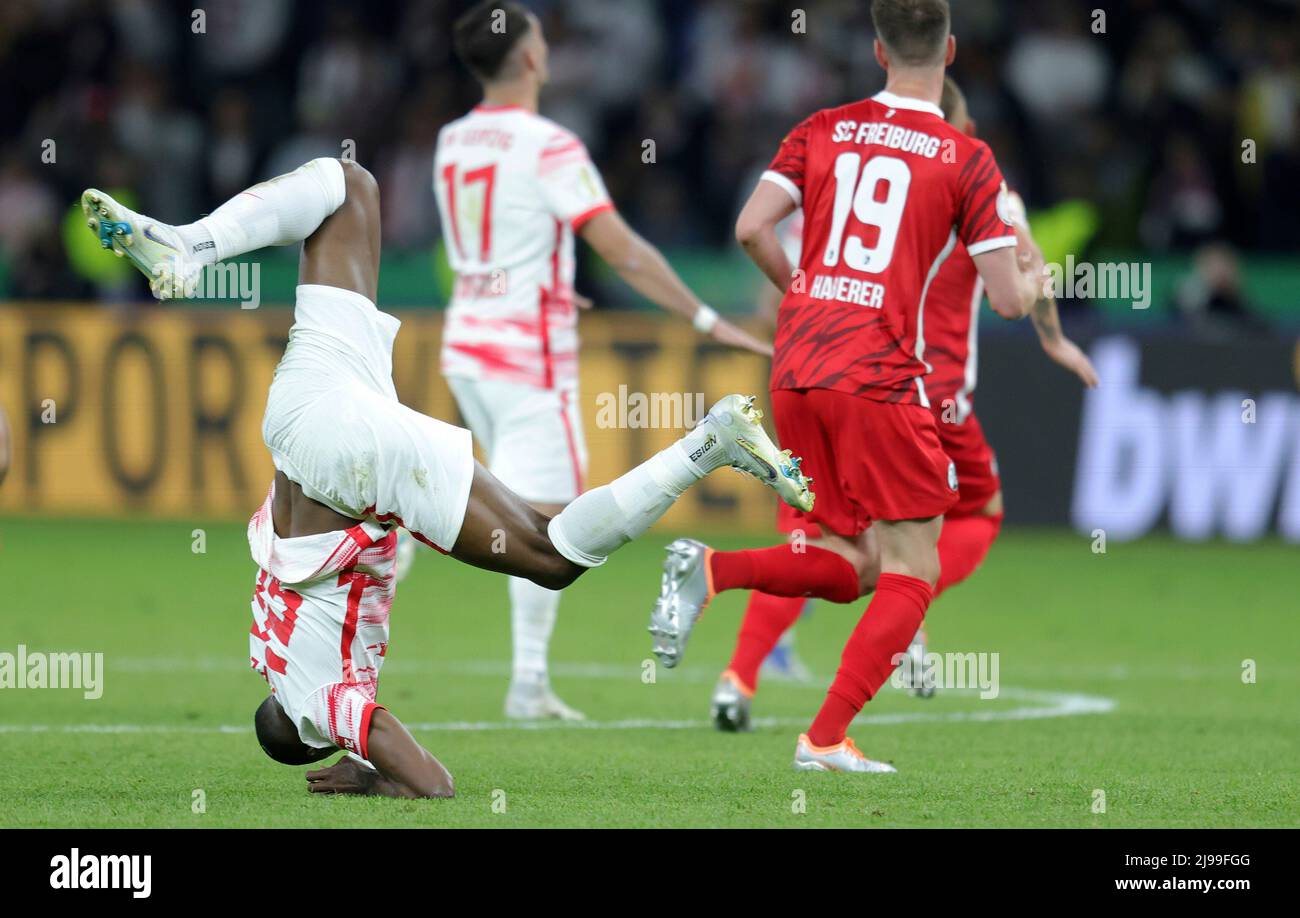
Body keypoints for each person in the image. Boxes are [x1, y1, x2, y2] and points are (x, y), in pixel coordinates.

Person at [80, 155, 811, 797]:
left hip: (350, 457)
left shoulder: (314, 705)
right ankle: (189, 244)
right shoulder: (265, 650)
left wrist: (375, 773)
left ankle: (709, 444)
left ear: (312, 736)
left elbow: (434, 783)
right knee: (349, 188)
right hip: (305, 408)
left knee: (551, 558)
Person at [647, 0, 1045, 773]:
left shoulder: (821, 127)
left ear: (877, 50)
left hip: (796, 363)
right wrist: (1031, 278)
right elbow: (1004, 298)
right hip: (878, 373)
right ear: (952, 50)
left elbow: (750, 228)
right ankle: (825, 737)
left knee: (846, 559)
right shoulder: (965, 157)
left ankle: (712, 569)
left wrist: (806, 299)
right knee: (912, 565)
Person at [412, 0, 772, 722]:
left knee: (495, 510)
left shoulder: (452, 140)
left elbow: (486, 247)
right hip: (526, 362)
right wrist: (706, 319)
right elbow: (621, 249)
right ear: (534, 58)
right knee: (547, 532)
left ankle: (523, 677)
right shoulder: (550, 145)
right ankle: (525, 683)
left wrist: (539, 289)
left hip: (468, 349)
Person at [709, 77, 1099, 732]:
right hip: (923, 393)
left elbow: (771, 243)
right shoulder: (981, 182)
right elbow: (1029, 275)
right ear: (956, 118)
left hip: (827, 371)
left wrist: (788, 314)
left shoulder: (849, 175)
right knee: (972, 518)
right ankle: (900, 624)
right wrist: (1054, 341)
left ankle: (737, 674)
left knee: (812, 533)